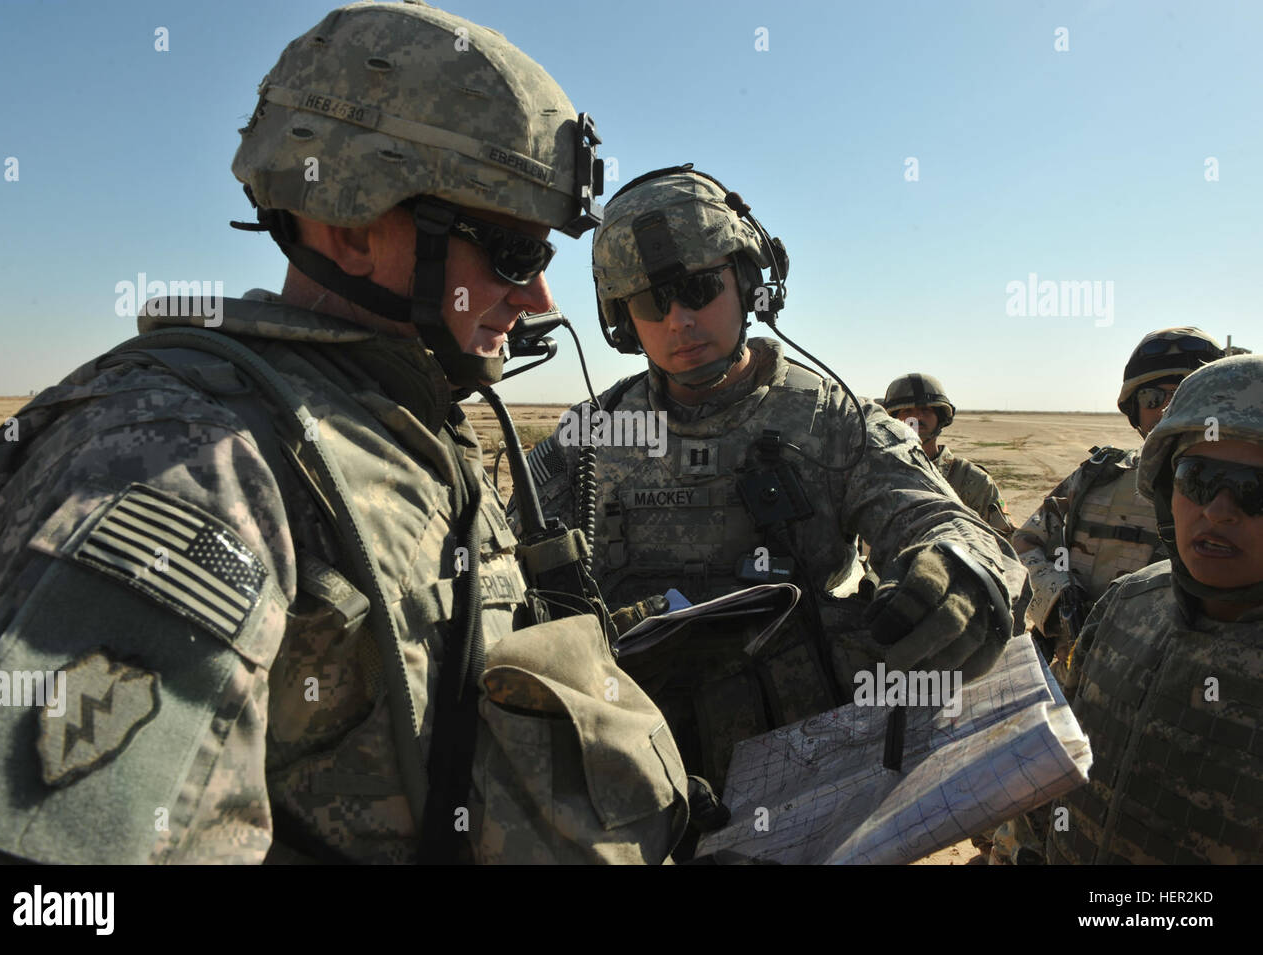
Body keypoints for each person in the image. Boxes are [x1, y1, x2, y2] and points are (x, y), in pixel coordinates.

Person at [0, 2, 688, 865]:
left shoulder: (401, 425)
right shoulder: (189, 461)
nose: (540, 303)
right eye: (511, 255)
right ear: (351, 226)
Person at [515, 164, 1029, 803]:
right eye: (651, 302)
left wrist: (960, 576)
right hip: (635, 782)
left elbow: (943, 522)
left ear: (750, 282)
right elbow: (502, 563)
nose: (678, 321)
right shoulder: (585, 440)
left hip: (810, 777)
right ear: (622, 320)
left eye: (700, 288)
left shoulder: (832, 419)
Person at [993, 326, 1224, 865]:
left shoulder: (1236, 499)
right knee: (1031, 831)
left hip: (1178, 719)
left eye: (1183, 391)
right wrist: (1057, 596)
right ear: (1133, 411)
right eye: (1152, 397)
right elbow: (1024, 543)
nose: (1166, 408)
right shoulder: (1097, 480)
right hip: (1069, 696)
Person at [1047, 353, 1263, 864]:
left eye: (1257, 491)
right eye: (1197, 478)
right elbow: (1057, 762)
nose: (1218, 511)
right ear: (1166, 488)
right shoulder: (1127, 603)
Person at [882, 374, 1014, 538]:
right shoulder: (878, 476)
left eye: (926, 410)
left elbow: (1005, 541)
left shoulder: (972, 480)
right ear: (893, 419)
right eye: (908, 411)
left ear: (941, 418)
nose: (918, 417)